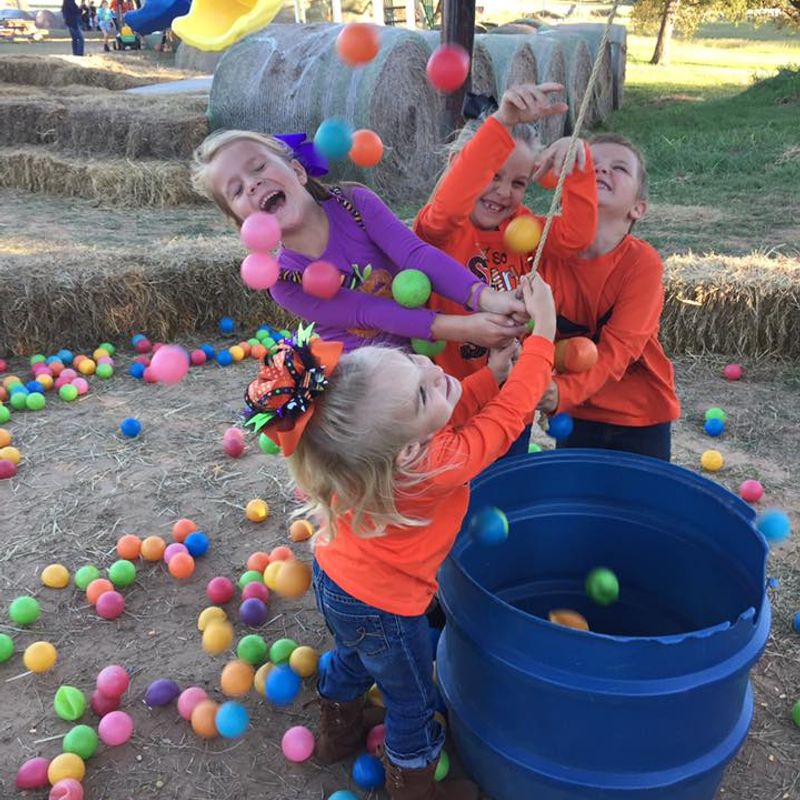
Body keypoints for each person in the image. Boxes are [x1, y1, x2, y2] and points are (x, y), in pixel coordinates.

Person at [244, 273, 557, 800]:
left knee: (350, 651)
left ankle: (338, 732)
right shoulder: (433, 464)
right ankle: (413, 787)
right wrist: (542, 338)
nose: (432, 366)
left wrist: (488, 375)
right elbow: (505, 422)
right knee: (411, 699)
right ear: (410, 452)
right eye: (419, 389)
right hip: (388, 607)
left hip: (338, 582)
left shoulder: (367, 456)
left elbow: (441, 416)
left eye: (411, 360)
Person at [191, 130, 528, 354]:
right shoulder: (283, 281)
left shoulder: (354, 203)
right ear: (243, 225)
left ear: (297, 171)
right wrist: (467, 328)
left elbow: (415, 255)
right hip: (361, 374)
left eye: (258, 166)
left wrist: (486, 297)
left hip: (418, 350)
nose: (251, 184)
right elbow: (370, 312)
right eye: (236, 190)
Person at [414, 83, 598, 454]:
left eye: (517, 183)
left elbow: (577, 236)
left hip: (511, 397)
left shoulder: (524, 227)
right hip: (450, 398)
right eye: (493, 176)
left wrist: (577, 166)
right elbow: (449, 206)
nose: (503, 192)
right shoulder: (439, 231)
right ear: (462, 169)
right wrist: (503, 122)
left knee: (507, 485)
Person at [535, 133, 680, 460]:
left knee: (637, 508)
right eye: (589, 166)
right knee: (578, 502)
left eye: (619, 168)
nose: (601, 171)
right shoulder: (541, 251)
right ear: (565, 195)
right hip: (577, 413)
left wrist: (561, 392)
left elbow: (619, 351)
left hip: (640, 413)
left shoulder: (642, 264)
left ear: (638, 209)